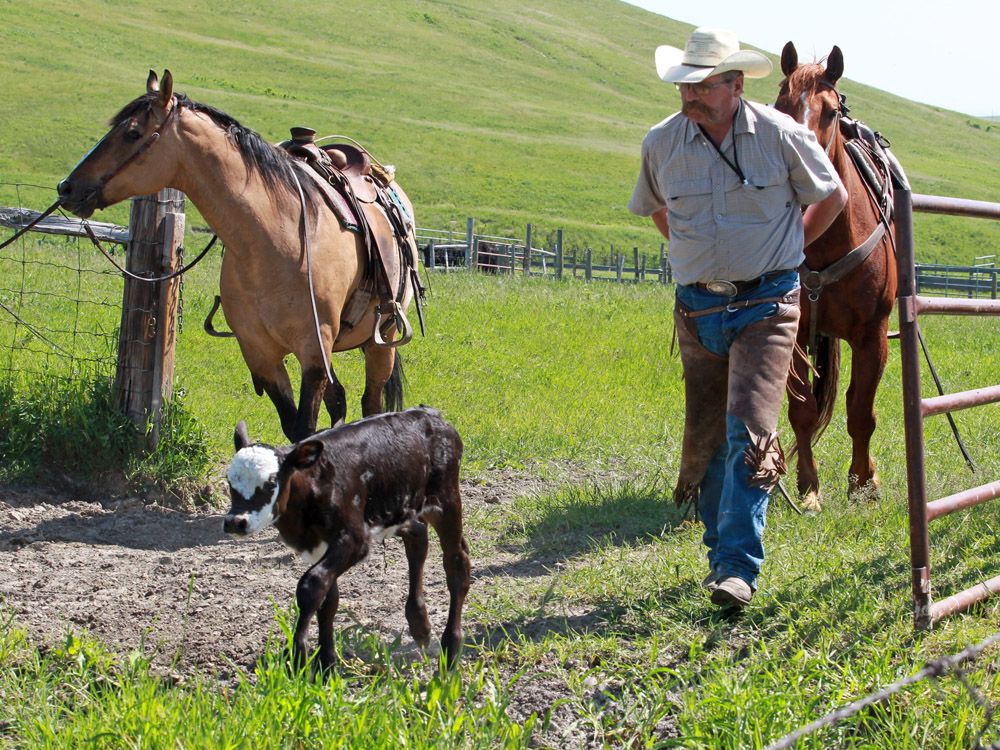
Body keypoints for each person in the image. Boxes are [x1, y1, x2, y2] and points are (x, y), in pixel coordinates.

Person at [628, 28, 847, 609]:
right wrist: (692, 254)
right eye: (684, 84)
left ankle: (737, 568)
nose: (690, 95)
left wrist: (792, 246)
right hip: (697, 306)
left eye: (702, 85)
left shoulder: (780, 135)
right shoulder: (662, 143)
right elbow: (654, 207)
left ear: (735, 84)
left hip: (767, 303)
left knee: (749, 431)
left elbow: (833, 196)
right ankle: (718, 553)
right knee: (706, 437)